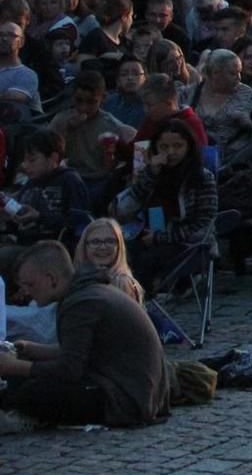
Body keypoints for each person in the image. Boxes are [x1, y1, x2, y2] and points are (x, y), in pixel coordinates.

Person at [0, 241, 170, 431]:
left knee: (31, 392)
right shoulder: (87, 292)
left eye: (30, 284)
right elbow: (82, 353)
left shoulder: (81, 303)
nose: (26, 292)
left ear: (52, 279)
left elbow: (69, 370)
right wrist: (31, 349)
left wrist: (14, 366)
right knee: (20, 381)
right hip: (139, 392)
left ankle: (24, 417)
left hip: (127, 400)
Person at [113, 116, 216, 292]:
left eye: (177, 146)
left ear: (188, 147)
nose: (171, 152)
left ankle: (145, 302)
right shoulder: (152, 173)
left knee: (148, 259)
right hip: (146, 234)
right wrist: (151, 174)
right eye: (164, 147)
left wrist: (162, 237)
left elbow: (203, 225)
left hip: (187, 243)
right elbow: (124, 209)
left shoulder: (202, 178)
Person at [72, 218, 143, 304]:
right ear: (84, 246)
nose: (103, 247)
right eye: (95, 242)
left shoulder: (122, 282)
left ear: (119, 246)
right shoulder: (76, 280)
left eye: (110, 241)